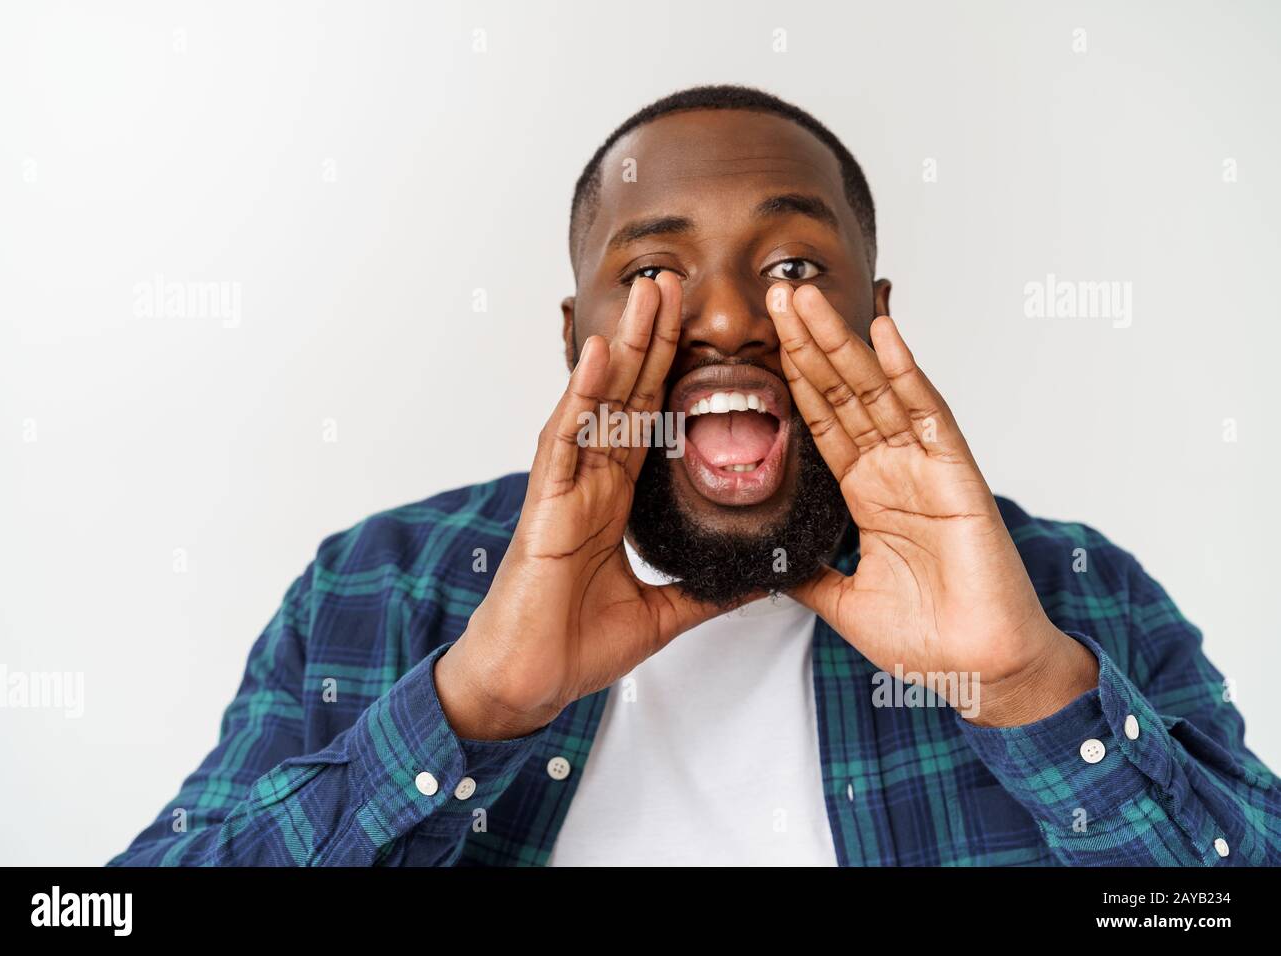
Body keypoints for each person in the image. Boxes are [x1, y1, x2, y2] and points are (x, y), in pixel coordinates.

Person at [109, 85, 1280, 866]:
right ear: (575, 335)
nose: (728, 314)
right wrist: (465, 710)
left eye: (789, 262)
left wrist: (1033, 696)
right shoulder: (371, 588)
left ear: (876, 316)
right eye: (656, 268)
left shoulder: (1077, 596)